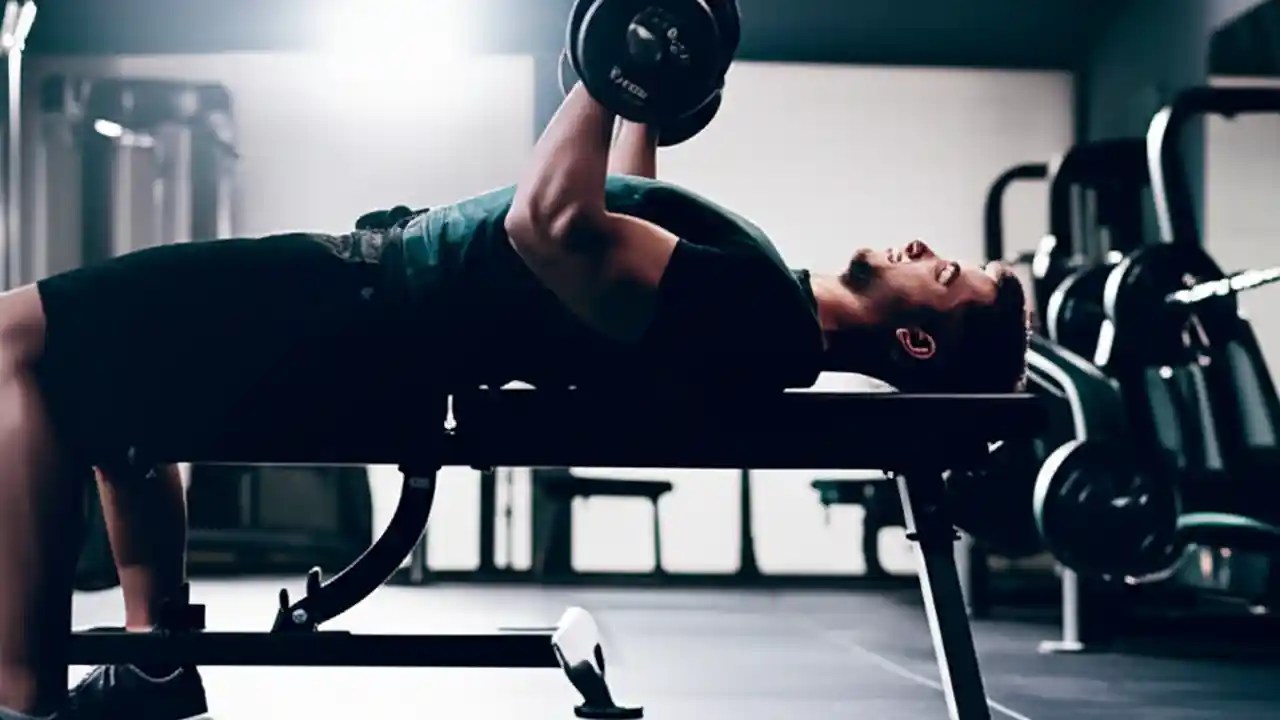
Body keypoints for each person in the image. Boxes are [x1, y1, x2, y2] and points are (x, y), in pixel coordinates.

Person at [0, 74, 1029, 719]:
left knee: (13, 339)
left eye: (944, 277)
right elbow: (623, 210)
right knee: (102, 397)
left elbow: (552, 229)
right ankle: (152, 672)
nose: (924, 249)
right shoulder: (761, 311)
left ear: (910, 337)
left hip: (352, 308)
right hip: (358, 300)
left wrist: (596, 70)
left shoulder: (757, 314)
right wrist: (641, 95)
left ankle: (20, 694)